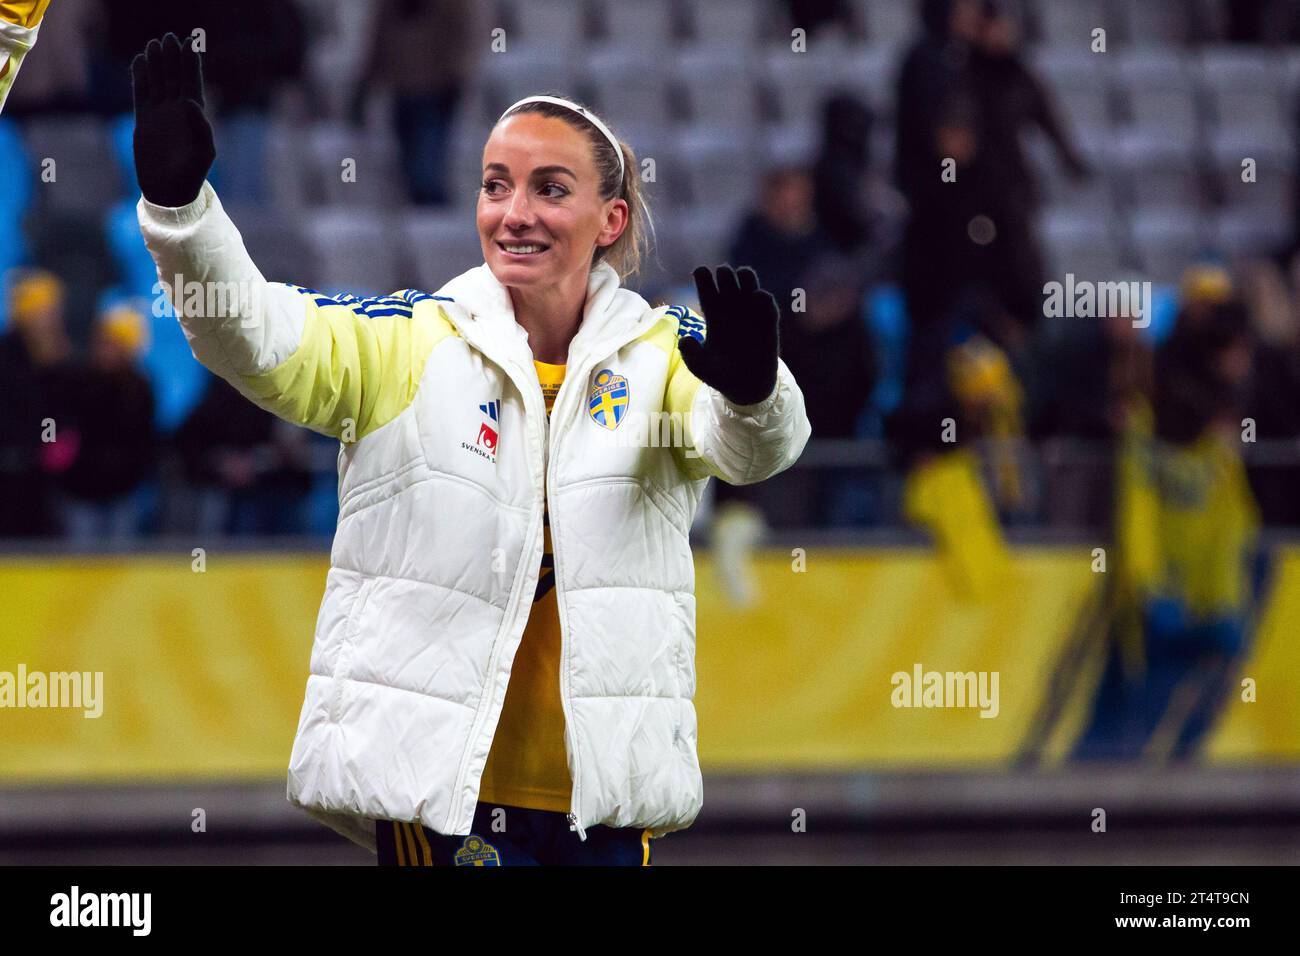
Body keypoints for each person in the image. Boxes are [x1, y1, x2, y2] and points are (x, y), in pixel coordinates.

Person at [131, 33, 811, 865]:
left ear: (612, 219)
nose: (514, 212)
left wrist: (752, 391)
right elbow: (255, 337)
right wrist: (184, 214)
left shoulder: (668, 354)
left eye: (549, 189)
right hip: (446, 802)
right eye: (496, 186)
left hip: (604, 812)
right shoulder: (411, 342)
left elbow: (749, 448)